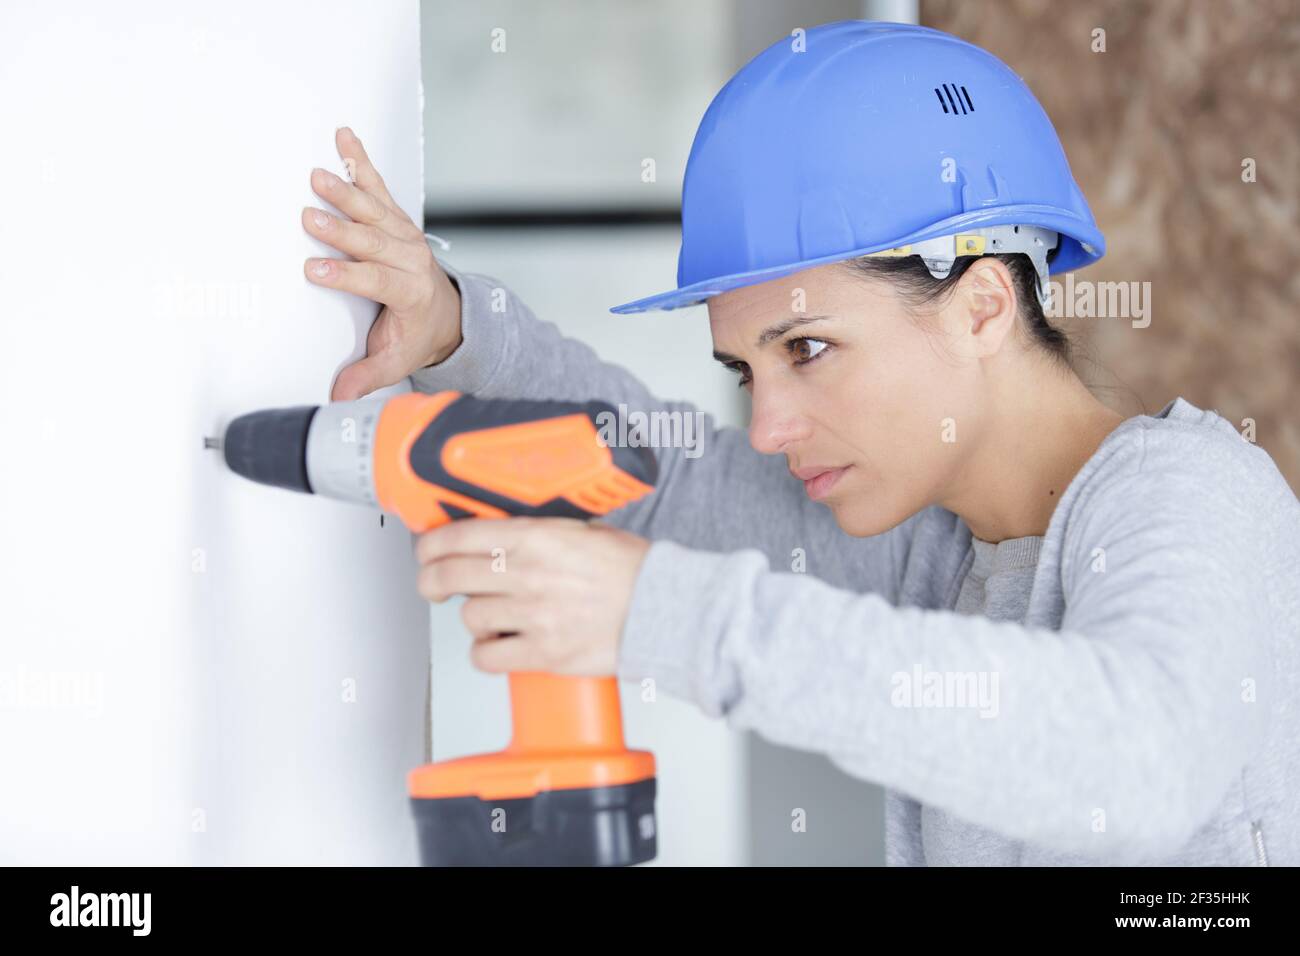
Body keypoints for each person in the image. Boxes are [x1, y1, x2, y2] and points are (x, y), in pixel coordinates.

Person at [299, 22, 1298, 865]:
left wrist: (663, 611)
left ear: (983, 304)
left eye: (808, 348)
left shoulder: (1190, 493)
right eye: (746, 370)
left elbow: (1142, 758)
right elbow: (668, 473)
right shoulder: (939, 550)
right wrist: (456, 327)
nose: (769, 428)